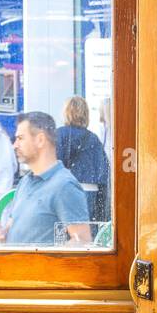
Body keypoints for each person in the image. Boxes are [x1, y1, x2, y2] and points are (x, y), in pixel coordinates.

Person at [0, 111, 92, 246]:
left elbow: (82, 241)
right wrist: (2, 233)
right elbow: (13, 229)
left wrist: (46, 263)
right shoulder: (25, 182)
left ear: (40, 140)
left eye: (21, 138)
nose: (14, 145)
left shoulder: (65, 186)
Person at [55, 95, 111, 223]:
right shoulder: (93, 138)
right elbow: (103, 173)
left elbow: (53, 166)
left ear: (66, 113)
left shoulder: (59, 135)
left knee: (66, 234)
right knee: (87, 235)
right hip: (90, 192)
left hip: (67, 191)